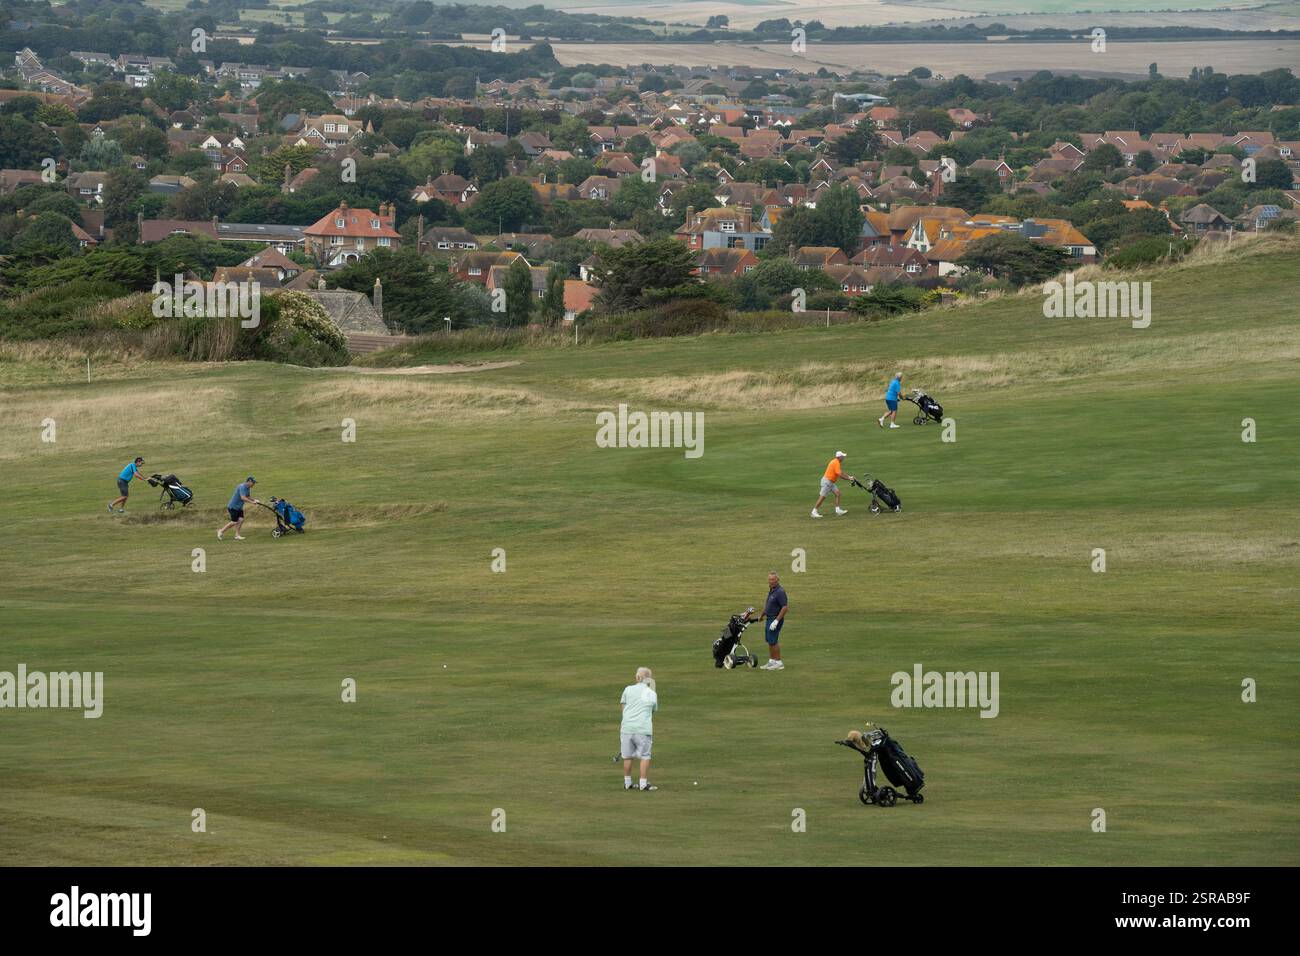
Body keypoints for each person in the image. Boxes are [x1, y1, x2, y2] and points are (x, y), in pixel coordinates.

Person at [619, 667, 659, 792]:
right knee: (645, 756)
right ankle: (643, 784)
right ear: (649, 679)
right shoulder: (651, 693)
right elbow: (653, 710)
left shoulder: (628, 689)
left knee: (627, 756)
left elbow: (623, 707)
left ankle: (627, 783)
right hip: (643, 729)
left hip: (627, 728)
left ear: (637, 677)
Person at [746, 572, 789, 670]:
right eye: (769, 579)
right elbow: (768, 605)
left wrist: (776, 621)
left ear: (777, 580)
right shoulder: (772, 590)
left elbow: (785, 608)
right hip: (769, 618)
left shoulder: (780, 591)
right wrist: (761, 615)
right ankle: (772, 661)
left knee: (773, 641)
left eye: (773, 580)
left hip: (775, 619)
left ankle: (778, 662)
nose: (771, 581)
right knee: (770, 640)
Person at [811, 450, 854, 518]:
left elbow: (841, 472)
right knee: (822, 497)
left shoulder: (836, 462)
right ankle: (814, 512)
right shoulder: (836, 463)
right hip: (827, 482)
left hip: (830, 482)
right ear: (839, 457)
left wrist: (849, 477)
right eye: (842, 457)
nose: (843, 458)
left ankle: (838, 510)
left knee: (838, 493)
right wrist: (849, 479)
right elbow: (840, 475)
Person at [218, 476, 259, 541]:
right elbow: (243, 497)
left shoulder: (248, 488)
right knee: (234, 522)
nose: (254, 484)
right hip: (233, 507)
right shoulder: (242, 487)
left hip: (239, 507)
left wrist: (254, 500)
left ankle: (237, 535)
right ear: (249, 482)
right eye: (253, 482)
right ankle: (221, 531)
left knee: (241, 520)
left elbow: (247, 496)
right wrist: (252, 502)